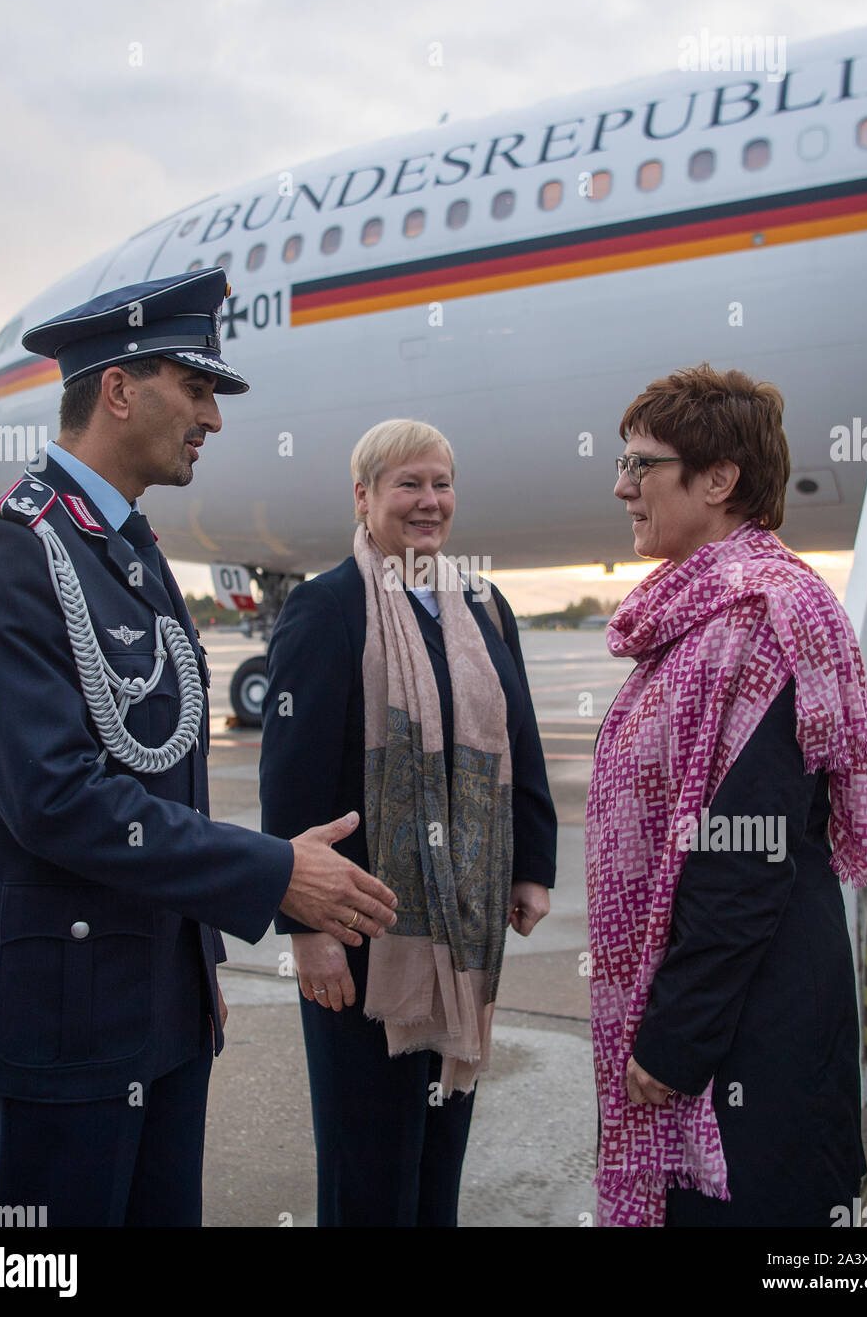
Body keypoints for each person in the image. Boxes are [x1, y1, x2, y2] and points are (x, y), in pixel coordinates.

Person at [0, 268, 396, 1227]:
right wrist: (273, 874)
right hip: (59, 1022)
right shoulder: (12, 551)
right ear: (117, 389)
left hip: (155, 1014)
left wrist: (191, 976)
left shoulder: (129, 550)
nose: (213, 420)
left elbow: (162, 773)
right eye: (196, 389)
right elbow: (56, 798)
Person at [585, 363, 867, 1228]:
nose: (621, 486)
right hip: (724, 1004)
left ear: (717, 479)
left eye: (642, 464)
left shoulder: (766, 616)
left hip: (745, 1027)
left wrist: (676, 1040)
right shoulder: (697, 614)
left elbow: (745, 856)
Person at [259, 418, 557, 1227]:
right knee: (368, 1162)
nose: (429, 502)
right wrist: (304, 928)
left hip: (460, 929)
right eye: (408, 485)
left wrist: (530, 863)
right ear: (364, 497)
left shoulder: (482, 605)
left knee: (437, 1155)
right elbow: (290, 786)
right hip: (360, 933)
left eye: (440, 484)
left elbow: (516, 739)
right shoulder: (327, 609)